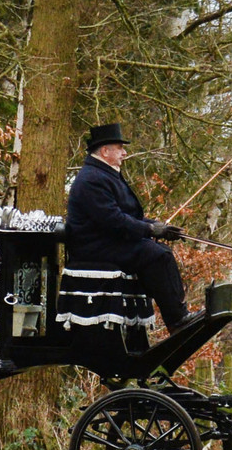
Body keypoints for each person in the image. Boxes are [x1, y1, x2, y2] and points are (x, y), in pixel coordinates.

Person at [65, 123, 199, 330]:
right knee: (157, 255)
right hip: (94, 246)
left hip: (108, 240)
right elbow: (113, 220)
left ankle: (179, 314)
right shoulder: (91, 179)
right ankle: (177, 319)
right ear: (105, 151)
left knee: (161, 251)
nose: (124, 153)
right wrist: (150, 230)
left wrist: (157, 226)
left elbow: (128, 216)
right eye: (120, 148)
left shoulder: (104, 174)